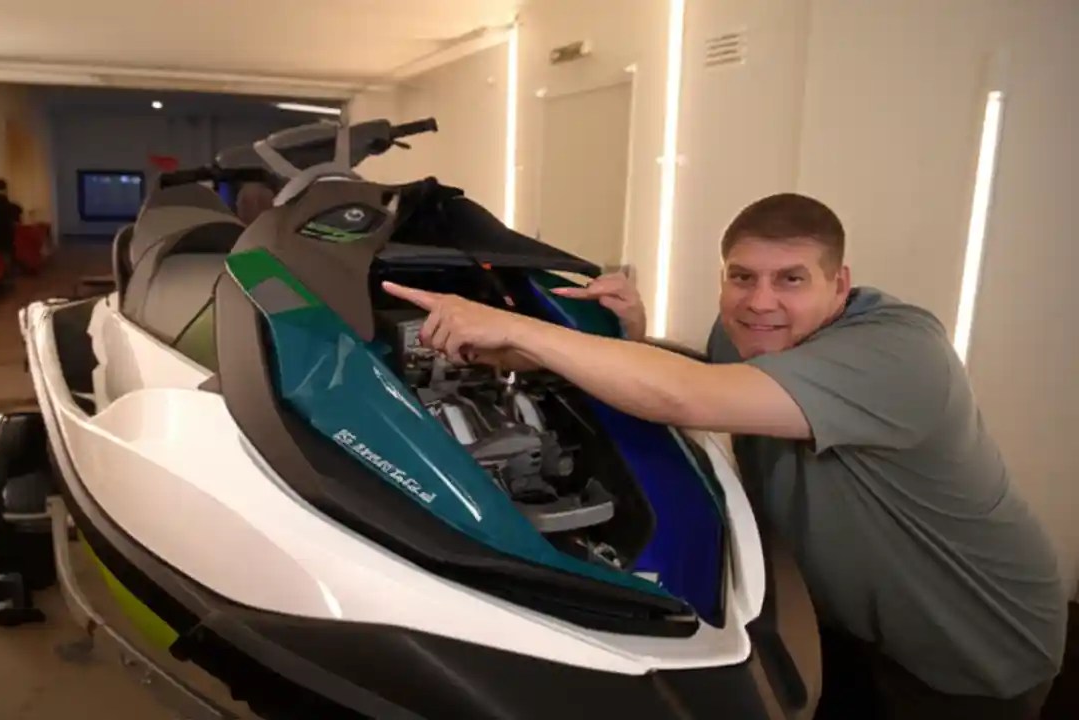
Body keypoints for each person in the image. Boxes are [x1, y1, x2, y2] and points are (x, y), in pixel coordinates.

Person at [382, 192, 1067, 719]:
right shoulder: (750, 331)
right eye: (741, 277)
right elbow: (711, 387)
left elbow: (686, 397)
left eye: (791, 279)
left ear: (840, 283)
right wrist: (630, 339)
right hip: (845, 617)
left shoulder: (898, 354)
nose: (760, 302)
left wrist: (514, 326)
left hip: (971, 638)